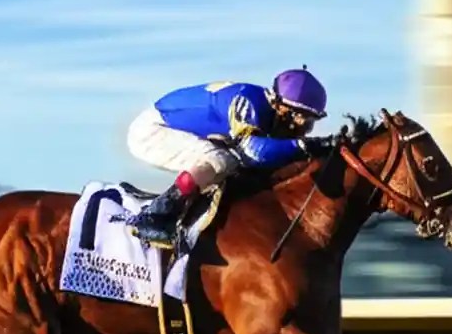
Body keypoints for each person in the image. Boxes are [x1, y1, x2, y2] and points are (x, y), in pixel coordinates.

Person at [121, 66, 330, 248]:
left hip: (185, 131)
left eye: (312, 120)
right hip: (152, 131)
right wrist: (303, 146)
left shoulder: (267, 110)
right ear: (280, 104)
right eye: (302, 117)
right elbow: (253, 152)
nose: (305, 127)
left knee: (233, 165)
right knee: (220, 160)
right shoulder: (247, 102)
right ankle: (157, 216)